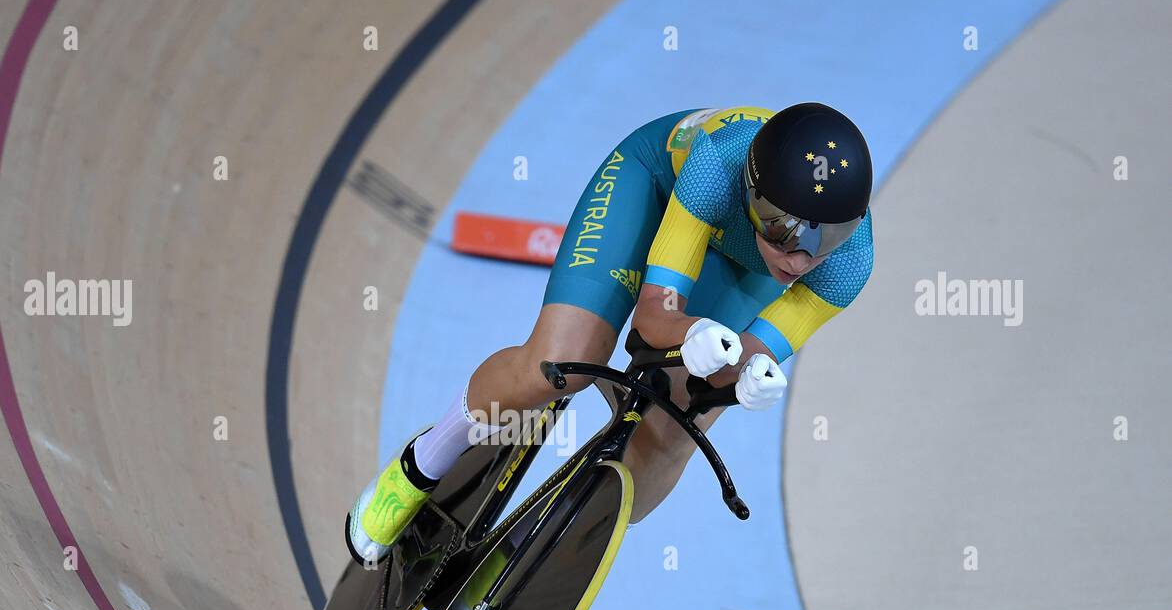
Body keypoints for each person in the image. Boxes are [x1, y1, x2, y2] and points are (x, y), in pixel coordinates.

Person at [347, 102, 874, 565]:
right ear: (755, 195)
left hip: (740, 257)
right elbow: (653, 319)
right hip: (655, 188)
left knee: (679, 423)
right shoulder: (717, 166)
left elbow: (746, 357)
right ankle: (421, 463)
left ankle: (553, 554)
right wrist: (688, 331)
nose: (803, 259)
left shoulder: (848, 263)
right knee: (561, 360)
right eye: (786, 232)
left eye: (828, 238)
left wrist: (747, 378)